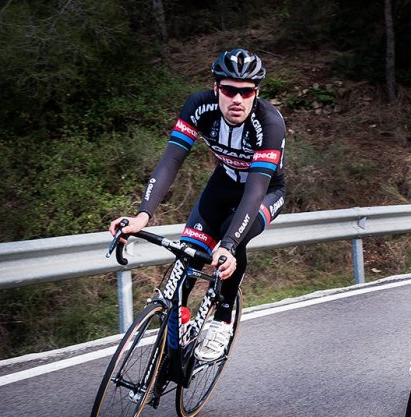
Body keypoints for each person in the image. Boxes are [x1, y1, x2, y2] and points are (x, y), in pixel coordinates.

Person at [109, 48, 286, 362]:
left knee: (229, 235)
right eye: (229, 90)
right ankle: (181, 326)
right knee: (189, 255)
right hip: (224, 182)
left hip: (264, 192)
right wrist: (142, 215)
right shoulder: (199, 106)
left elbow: (255, 189)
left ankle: (222, 319)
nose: (237, 99)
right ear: (216, 87)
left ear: (255, 93)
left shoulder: (269, 123)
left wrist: (228, 244)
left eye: (246, 92)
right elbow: (171, 160)